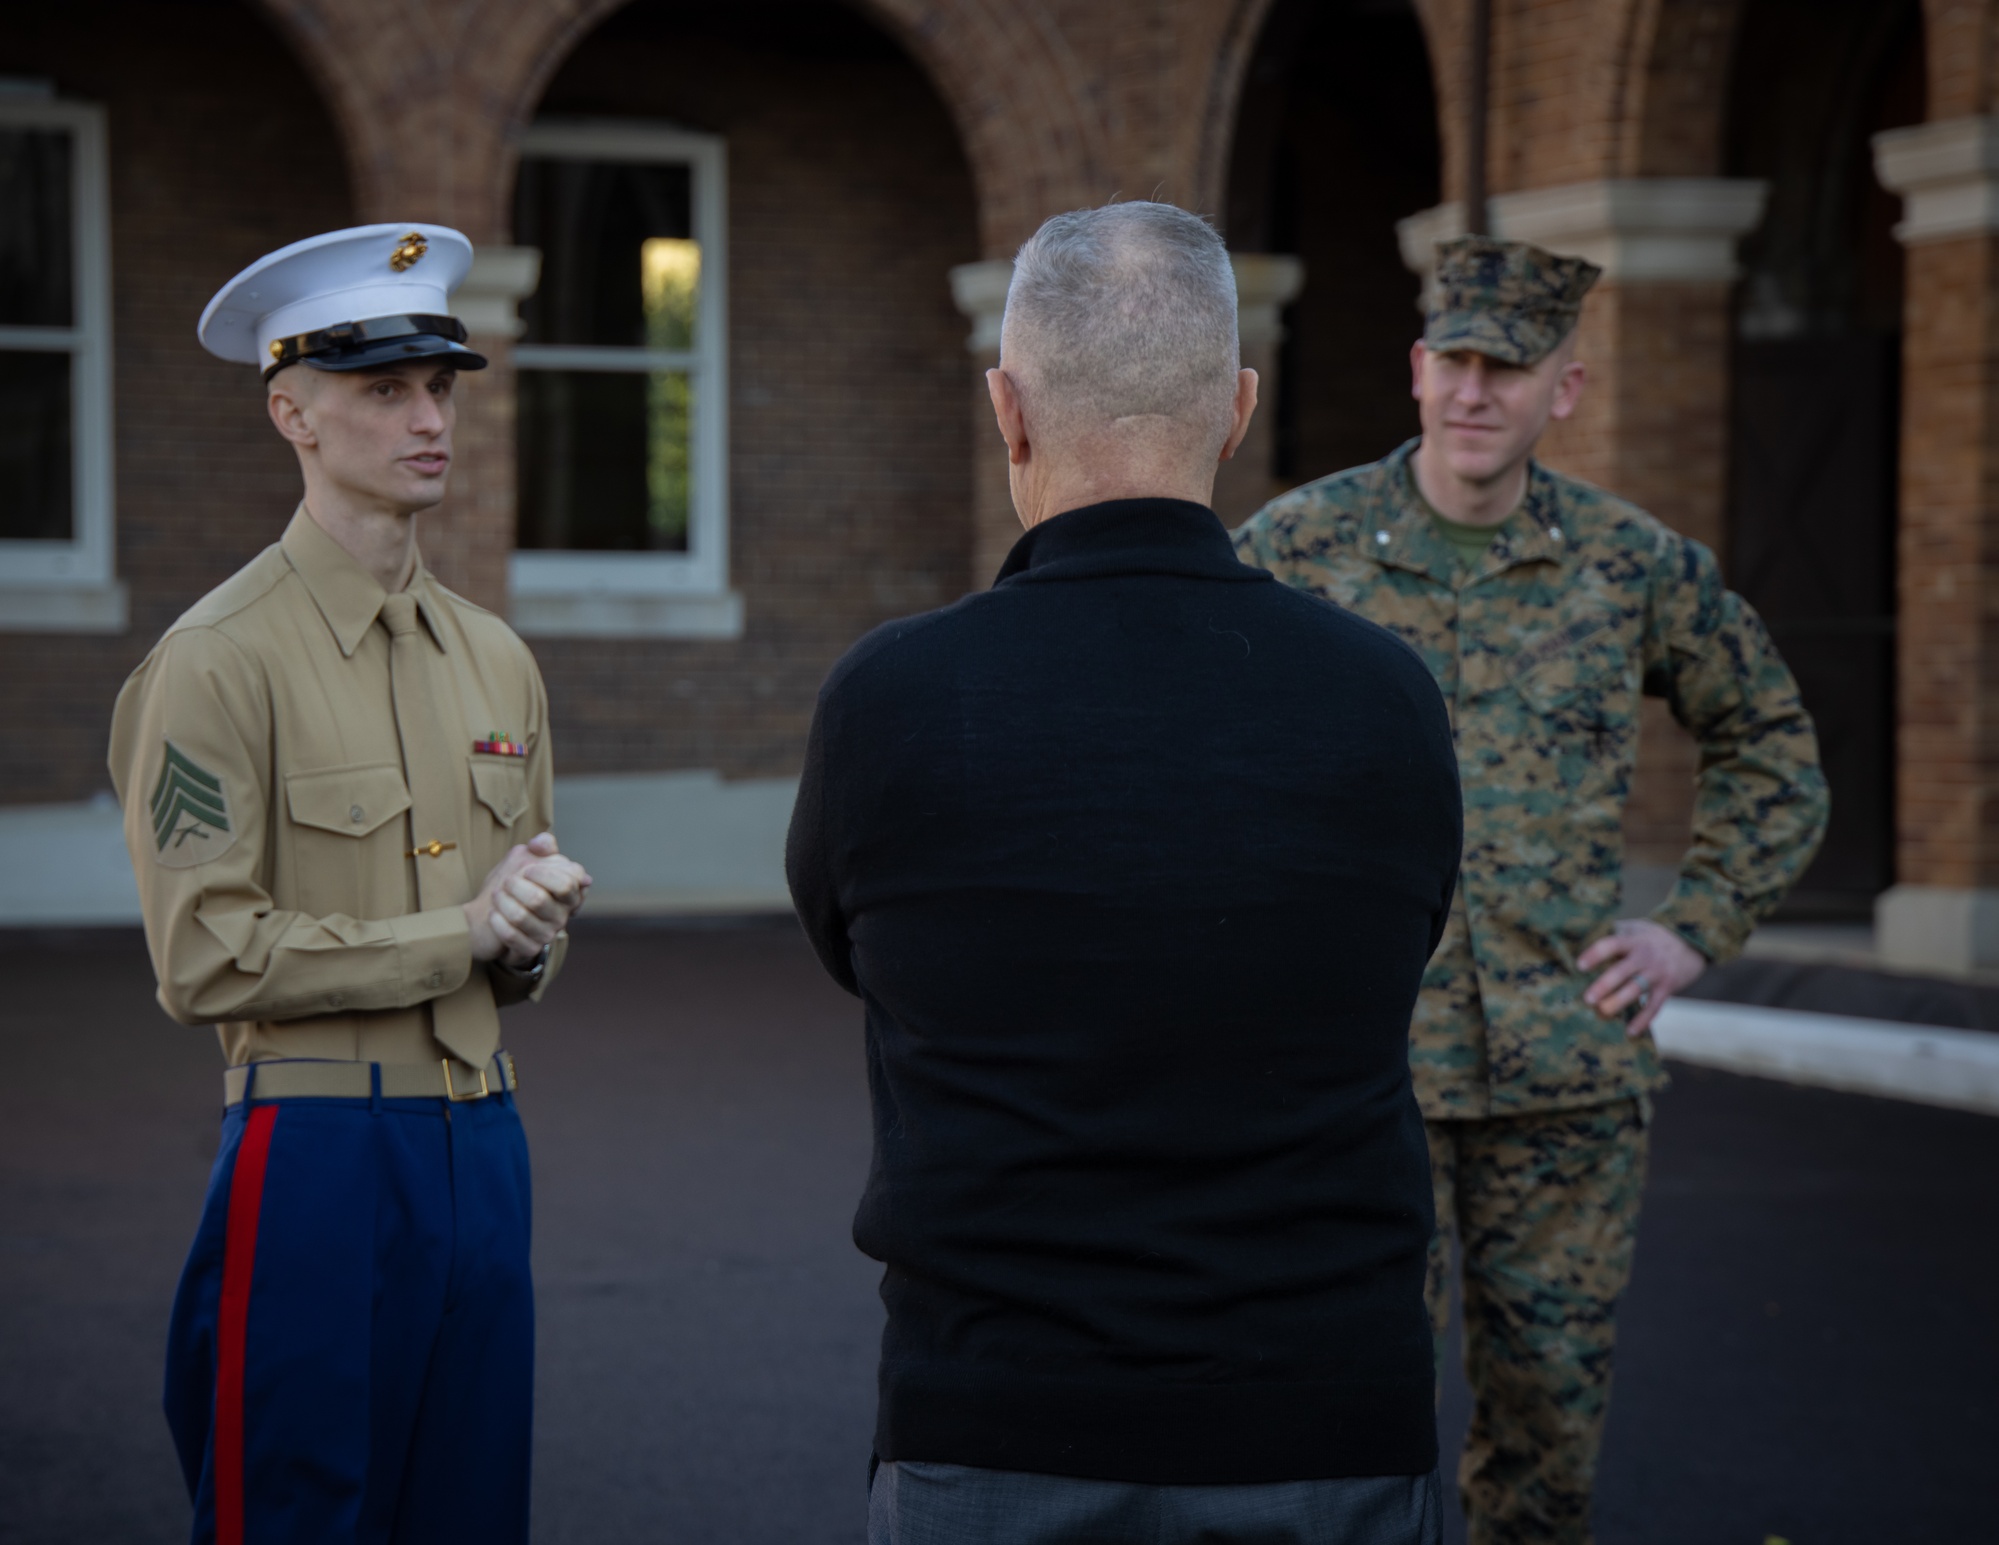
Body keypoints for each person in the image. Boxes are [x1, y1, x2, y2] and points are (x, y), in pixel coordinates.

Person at [787, 201, 1462, 1545]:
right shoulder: (1384, 694)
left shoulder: (892, 699)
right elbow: (1402, 942)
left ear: (1007, 408)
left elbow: (850, 947)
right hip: (1326, 1425)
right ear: (1236, 409)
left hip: (994, 1423)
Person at [1233, 236, 1830, 1545]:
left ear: (1566, 387)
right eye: (1453, 359)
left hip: (1565, 1084)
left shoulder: (1631, 566)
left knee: (1548, 1431)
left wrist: (1691, 929)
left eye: (1508, 368)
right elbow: (1190, 740)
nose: (1473, 391)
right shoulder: (1298, 548)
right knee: (1342, 1408)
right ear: (1415, 367)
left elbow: (1773, 742)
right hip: (1358, 1079)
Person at [107, 223, 592, 1545]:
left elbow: (516, 950)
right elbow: (202, 955)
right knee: (294, 1512)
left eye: (440, 386)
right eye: (385, 390)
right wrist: (464, 930)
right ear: (293, 413)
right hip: (317, 1148)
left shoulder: (497, 661)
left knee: (474, 1512)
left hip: (485, 1144)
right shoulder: (215, 661)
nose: (430, 418)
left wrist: (532, 932)